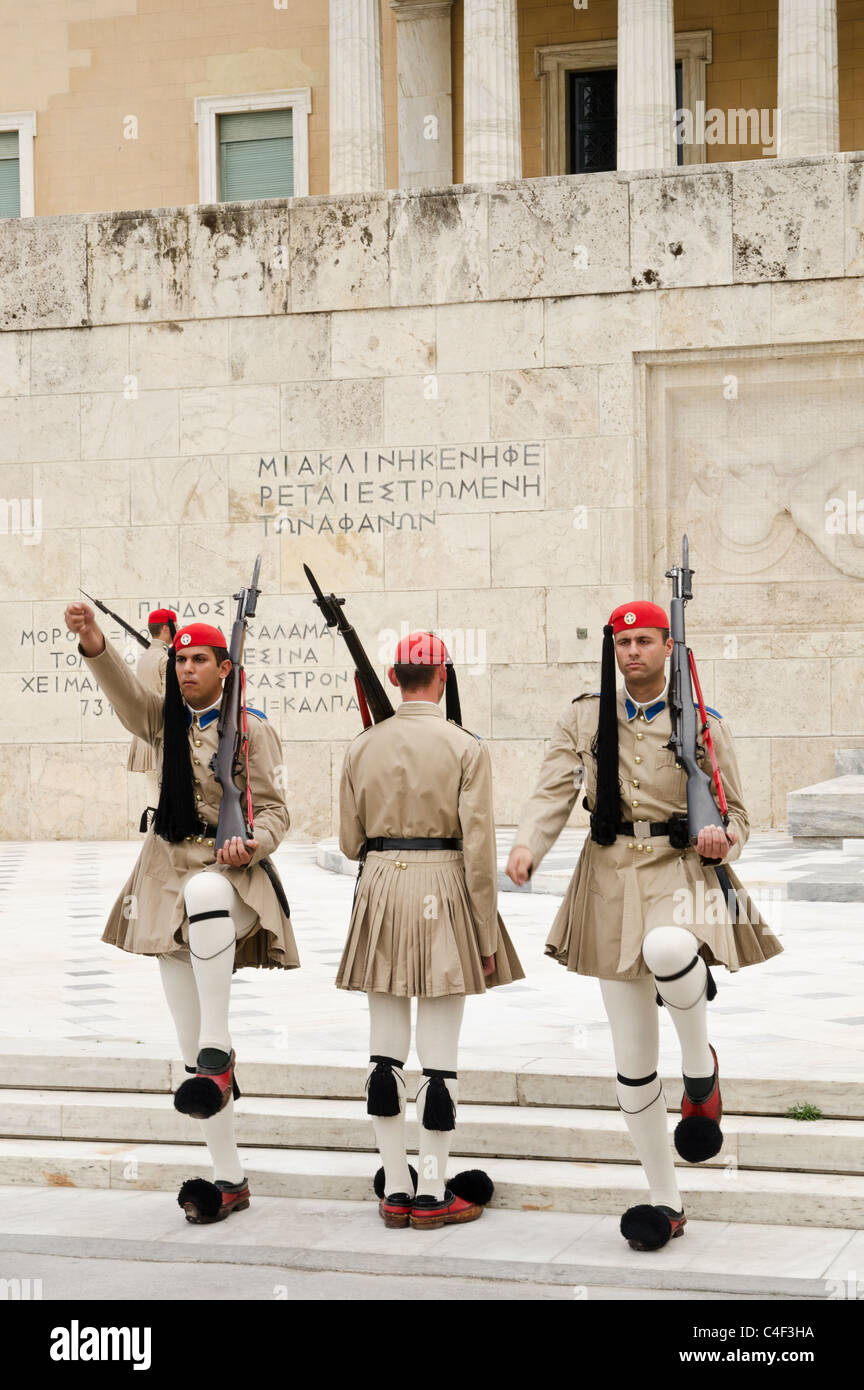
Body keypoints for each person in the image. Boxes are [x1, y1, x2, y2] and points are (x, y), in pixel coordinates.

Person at [507, 601, 782, 1251]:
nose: (631, 652)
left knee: (667, 946)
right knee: (631, 1056)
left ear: (668, 648)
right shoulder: (584, 716)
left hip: (680, 868)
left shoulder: (702, 722)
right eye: (622, 642)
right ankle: (666, 1198)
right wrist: (526, 847)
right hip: (608, 876)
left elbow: (738, 815)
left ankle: (699, 1066)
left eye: (644, 642)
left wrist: (724, 839)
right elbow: (552, 791)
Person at [64, 600, 298, 1225]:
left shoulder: (251, 728)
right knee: (188, 1053)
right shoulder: (162, 721)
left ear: (226, 668)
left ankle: (221, 1051)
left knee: (206, 899)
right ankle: (228, 1180)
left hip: (231, 881)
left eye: (200, 660)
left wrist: (253, 842)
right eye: (181, 660)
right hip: (167, 881)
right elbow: (123, 693)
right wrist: (93, 642)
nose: (187, 668)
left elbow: (276, 811)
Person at [337, 631, 524, 1230]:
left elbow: (347, 843)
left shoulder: (361, 746)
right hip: (445, 884)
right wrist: (487, 935)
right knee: (439, 1060)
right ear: (442, 677)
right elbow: (479, 848)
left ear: (394, 678)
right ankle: (433, 1192)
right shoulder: (466, 746)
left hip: (381, 885)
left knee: (384, 1051)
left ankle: (395, 1188)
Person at [128, 608, 176, 828]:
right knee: (164, 790)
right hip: (161, 733)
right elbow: (169, 700)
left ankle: (152, 833)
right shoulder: (165, 659)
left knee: (152, 791)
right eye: (175, 625)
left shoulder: (145, 657)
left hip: (144, 731)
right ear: (166, 628)